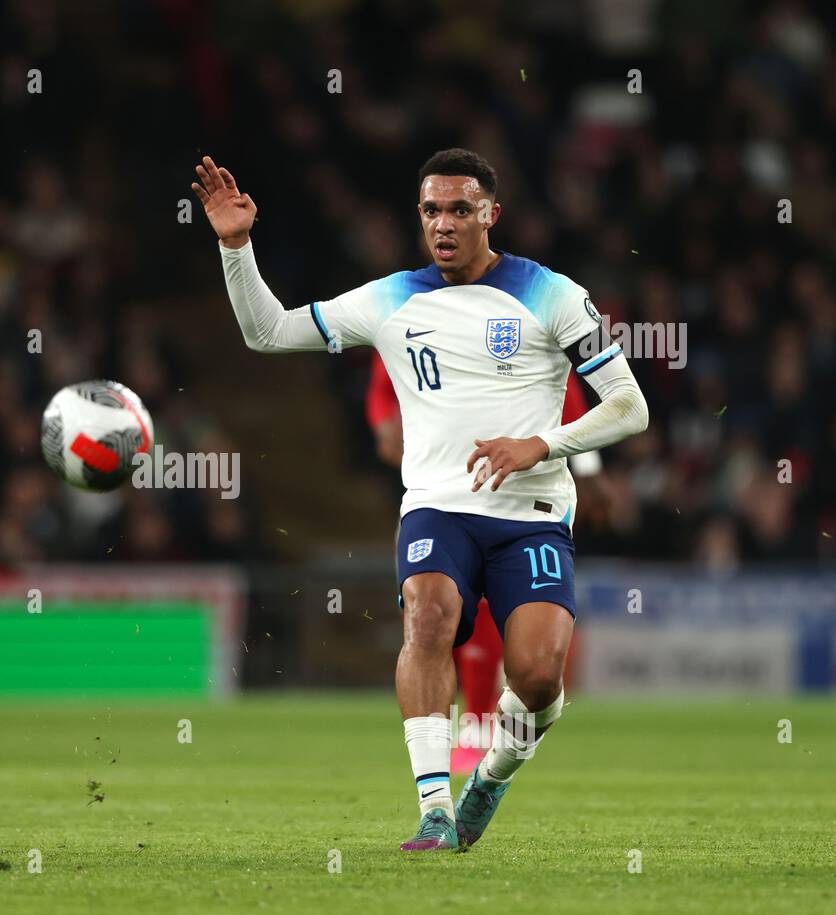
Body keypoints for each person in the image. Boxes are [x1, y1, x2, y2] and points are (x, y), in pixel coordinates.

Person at [194, 148, 647, 851]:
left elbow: (629, 405)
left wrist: (541, 445)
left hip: (530, 515)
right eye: (432, 209)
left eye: (461, 209)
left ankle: (493, 773)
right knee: (427, 619)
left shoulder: (551, 293)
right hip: (437, 505)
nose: (444, 222)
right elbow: (267, 332)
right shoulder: (389, 299)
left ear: (491, 214)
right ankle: (434, 806)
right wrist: (236, 246)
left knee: (534, 675)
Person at [365, 354, 604, 775]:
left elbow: (559, 382)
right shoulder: (409, 308)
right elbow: (384, 382)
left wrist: (586, 465)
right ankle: (459, 734)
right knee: (432, 608)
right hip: (434, 480)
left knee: (506, 614)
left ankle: (479, 720)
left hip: (513, 485)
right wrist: (384, 420)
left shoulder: (516, 308)